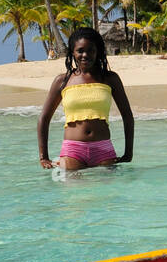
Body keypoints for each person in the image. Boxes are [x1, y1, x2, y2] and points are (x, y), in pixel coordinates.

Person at [38, 27, 134, 170]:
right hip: (72, 151)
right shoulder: (62, 81)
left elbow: (127, 116)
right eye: (80, 50)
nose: (85, 55)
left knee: (108, 192)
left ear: (98, 52)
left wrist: (128, 153)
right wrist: (43, 157)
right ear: (72, 52)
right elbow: (43, 119)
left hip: (103, 150)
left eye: (91, 50)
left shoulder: (110, 78)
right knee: (74, 192)